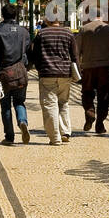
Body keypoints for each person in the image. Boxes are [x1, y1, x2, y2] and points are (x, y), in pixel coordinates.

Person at [30, 15, 78, 145]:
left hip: (47, 73)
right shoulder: (68, 33)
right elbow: (74, 55)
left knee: (50, 104)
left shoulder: (41, 33)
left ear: (47, 20)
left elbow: (35, 54)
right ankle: (65, 131)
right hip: (65, 73)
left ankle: (55, 137)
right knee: (63, 102)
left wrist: (39, 68)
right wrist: (75, 72)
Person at [0, 5, 31, 145]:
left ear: (2, 14)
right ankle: (22, 121)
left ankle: (9, 136)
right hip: (20, 71)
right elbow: (27, 50)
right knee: (19, 101)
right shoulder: (24, 31)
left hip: (5, 73)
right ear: (16, 15)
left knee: (5, 105)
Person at [76, 12, 109, 134]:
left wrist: (77, 66)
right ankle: (100, 124)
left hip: (88, 68)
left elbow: (76, 50)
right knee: (104, 97)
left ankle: (90, 112)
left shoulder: (84, 29)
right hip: (104, 67)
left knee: (87, 93)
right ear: (102, 16)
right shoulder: (108, 29)